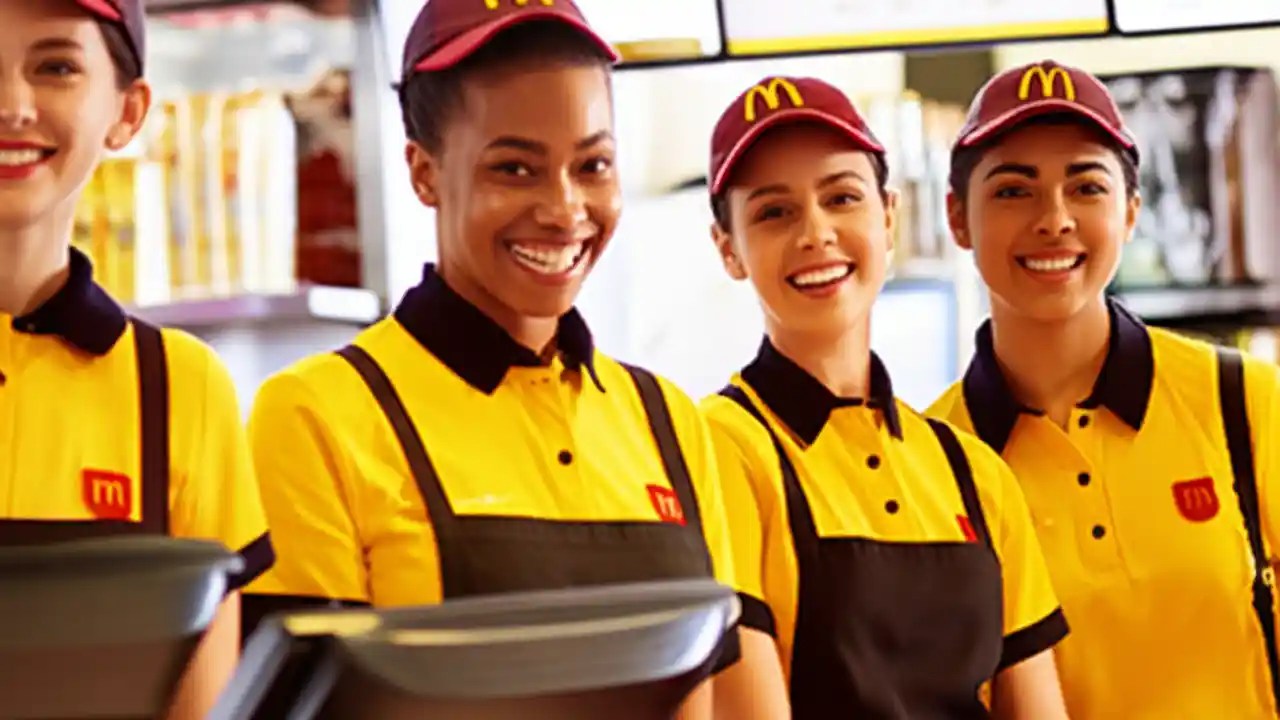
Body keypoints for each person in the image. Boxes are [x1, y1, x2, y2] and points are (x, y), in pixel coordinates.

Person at [242, 1, 768, 716]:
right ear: (424, 173)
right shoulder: (315, 416)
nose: (564, 207)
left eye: (593, 165)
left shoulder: (669, 423)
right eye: (515, 168)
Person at [699, 74, 1072, 718]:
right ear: (728, 249)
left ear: (889, 217)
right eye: (773, 212)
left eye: (841, 198)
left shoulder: (973, 474)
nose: (816, 233)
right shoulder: (716, 452)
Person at [928, 59, 1280, 719]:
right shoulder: (928, 461)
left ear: (1131, 212)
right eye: (1013, 190)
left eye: (1086, 186)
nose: (1054, 218)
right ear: (958, 217)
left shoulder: (1246, 405)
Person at [0, 1, 274, 717]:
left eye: (55, 67)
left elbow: (207, 705)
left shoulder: (179, 387)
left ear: (128, 110)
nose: (11, 105)